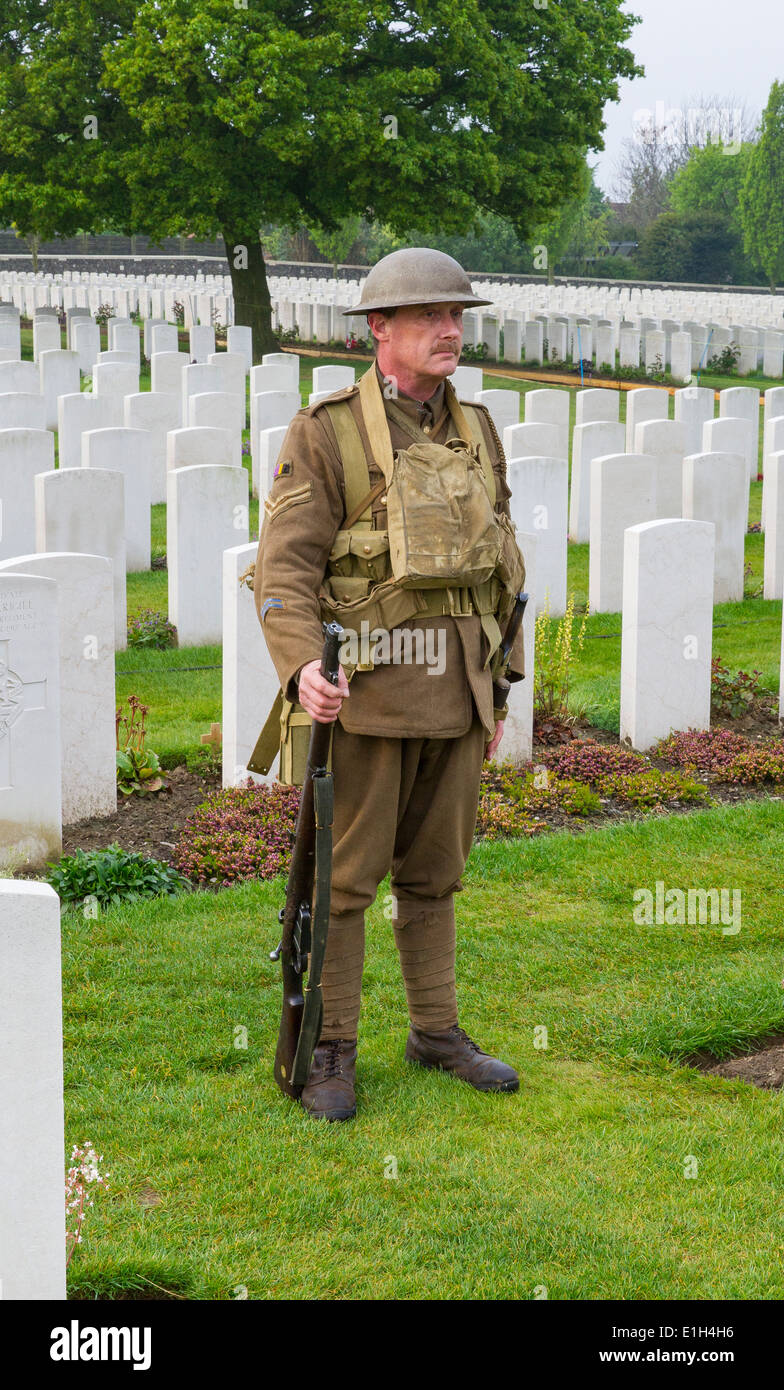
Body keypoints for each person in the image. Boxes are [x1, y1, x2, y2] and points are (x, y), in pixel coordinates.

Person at [254, 247, 526, 1121]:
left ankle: (436, 1031)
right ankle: (332, 1045)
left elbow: (501, 565)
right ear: (381, 330)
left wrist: (502, 680)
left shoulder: (478, 429)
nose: (450, 331)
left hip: (460, 693)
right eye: (429, 318)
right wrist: (301, 667)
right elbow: (284, 572)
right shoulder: (326, 432)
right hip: (368, 696)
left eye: (457, 317)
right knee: (344, 880)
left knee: (437, 875)